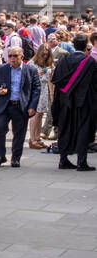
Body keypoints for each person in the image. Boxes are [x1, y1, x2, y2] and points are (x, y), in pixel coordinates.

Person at [0, 46, 39, 168]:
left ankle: (16, 158)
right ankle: (0, 156)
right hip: (4, 105)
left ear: (22, 56)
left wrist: (33, 106)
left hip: (21, 106)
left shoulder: (30, 70)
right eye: (10, 55)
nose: (12, 58)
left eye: (15, 56)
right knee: (0, 130)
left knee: (19, 133)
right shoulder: (2, 68)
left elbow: (36, 89)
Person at [52, 35, 95, 170]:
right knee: (83, 130)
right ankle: (81, 162)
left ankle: (63, 160)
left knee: (65, 128)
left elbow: (57, 81)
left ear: (74, 45)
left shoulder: (64, 61)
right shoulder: (90, 62)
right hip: (83, 102)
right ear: (86, 46)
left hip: (65, 101)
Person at [29, 45, 54, 150]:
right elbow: (28, 78)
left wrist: (52, 93)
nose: (45, 55)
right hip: (35, 90)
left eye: (47, 54)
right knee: (34, 114)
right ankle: (32, 139)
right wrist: (40, 73)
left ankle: (38, 138)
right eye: (43, 54)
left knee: (40, 114)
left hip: (44, 90)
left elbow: (51, 80)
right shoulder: (32, 63)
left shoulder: (49, 64)